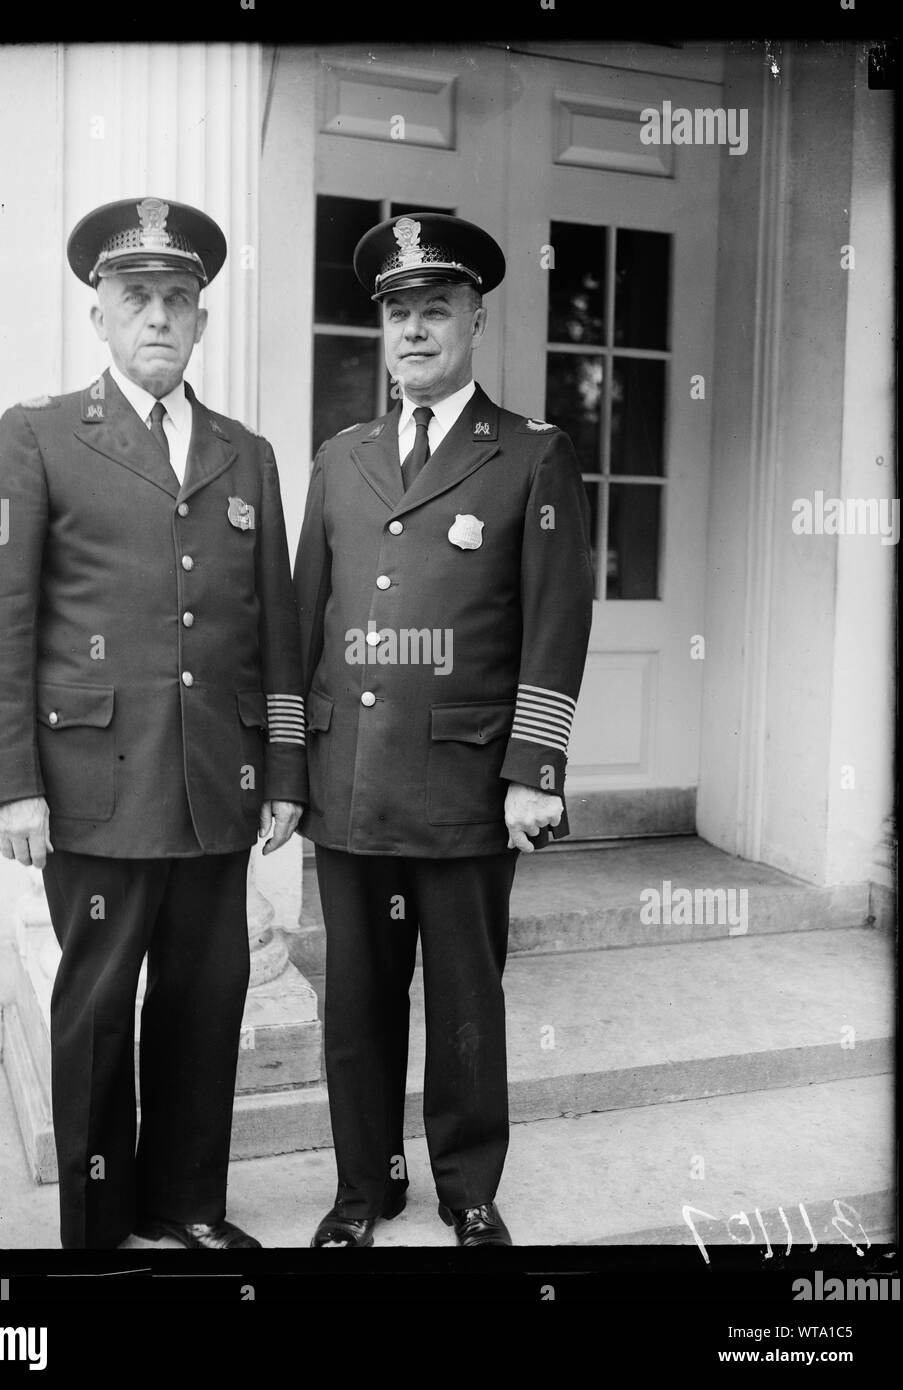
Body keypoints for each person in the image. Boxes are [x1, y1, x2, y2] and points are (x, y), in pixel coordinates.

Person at [0, 196, 306, 1250]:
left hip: (215, 785)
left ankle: (185, 1206)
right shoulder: (38, 436)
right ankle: (101, 1228)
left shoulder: (247, 456)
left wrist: (282, 769)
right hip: (94, 786)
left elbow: (275, 628)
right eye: (134, 297)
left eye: (177, 300)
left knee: (207, 1004)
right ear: (99, 317)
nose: (157, 316)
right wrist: (7, 780)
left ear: (200, 323)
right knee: (100, 1012)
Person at [294, 212, 594, 1248]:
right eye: (397, 316)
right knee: (358, 1003)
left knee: (466, 1004)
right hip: (352, 783)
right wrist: (292, 769)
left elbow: (556, 624)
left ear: (472, 321)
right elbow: (306, 619)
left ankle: (467, 1188)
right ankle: (362, 1192)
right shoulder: (341, 457)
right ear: (381, 332)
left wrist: (534, 771)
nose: (413, 332)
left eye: (434, 311)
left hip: (469, 787)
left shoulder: (530, 454)